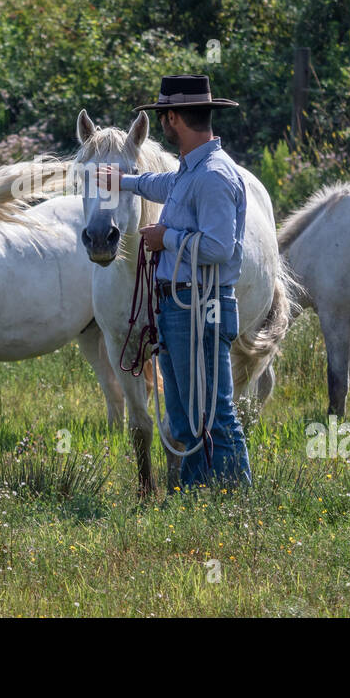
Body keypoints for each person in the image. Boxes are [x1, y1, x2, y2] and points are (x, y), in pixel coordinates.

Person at [97, 74, 251, 489]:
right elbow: (159, 184)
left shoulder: (214, 176)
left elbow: (220, 248)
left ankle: (237, 497)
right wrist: (123, 181)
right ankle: (199, 496)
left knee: (214, 412)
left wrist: (167, 238)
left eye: (164, 115)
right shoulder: (192, 171)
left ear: (174, 118)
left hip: (201, 304)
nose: (162, 124)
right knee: (183, 415)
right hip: (180, 306)